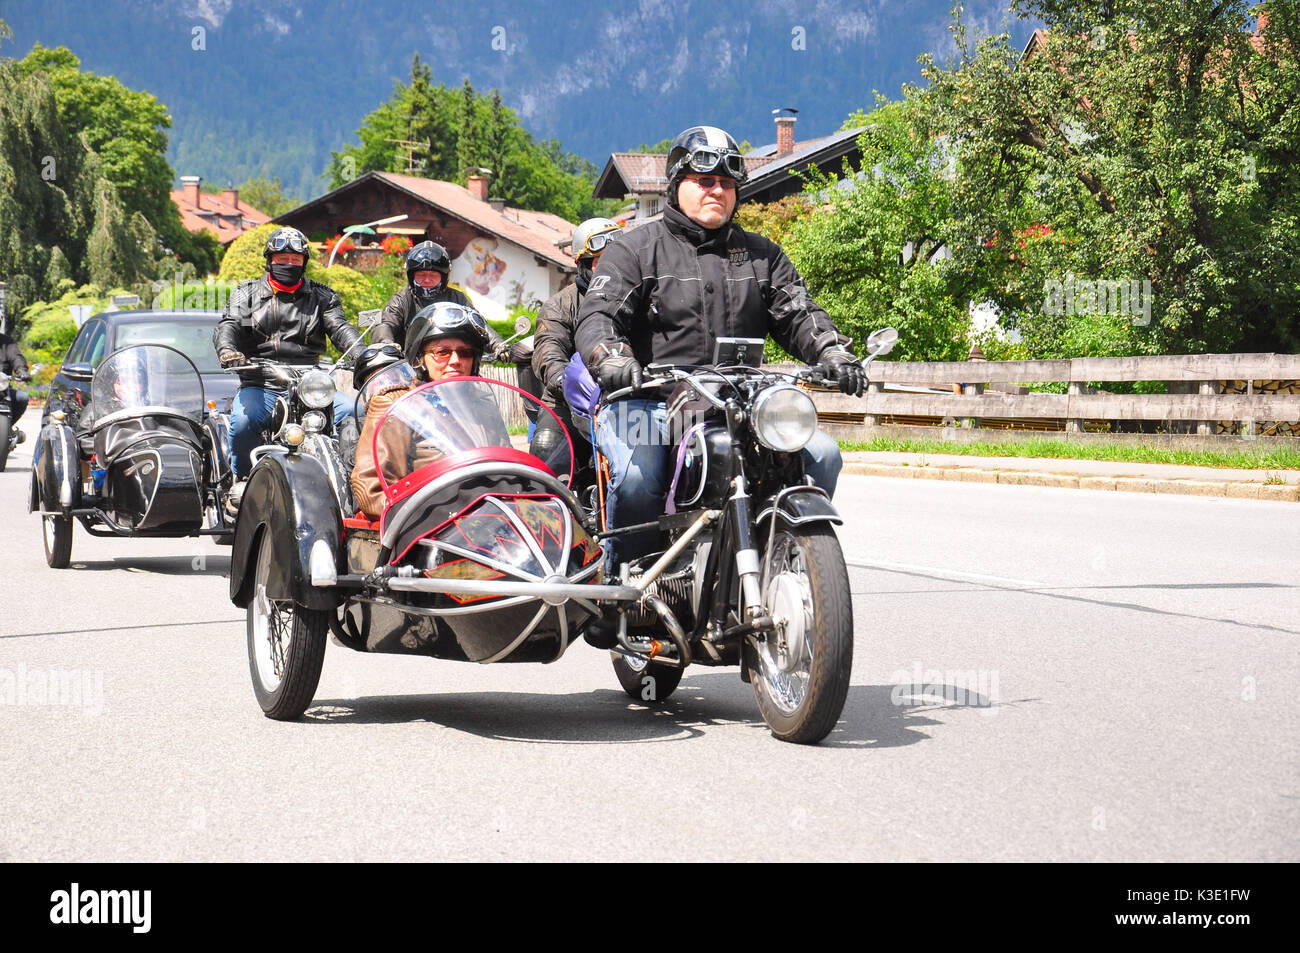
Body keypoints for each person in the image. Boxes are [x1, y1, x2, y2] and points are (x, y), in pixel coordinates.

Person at [574, 125, 866, 568]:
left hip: (740, 402)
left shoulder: (763, 255)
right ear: (676, 185)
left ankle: (784, 560)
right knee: (637, 477)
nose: (717, 191)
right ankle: (628, 588)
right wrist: (611, 356)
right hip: (651, 401)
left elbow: (800, 313)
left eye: (727, 183)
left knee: (822, 453)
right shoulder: (634, 250)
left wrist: (831, 351)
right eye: (704, 181)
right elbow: (598, 317)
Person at [213, 226, 361, 479]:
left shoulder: (322, 297)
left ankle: (352, 479)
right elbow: (231, 324)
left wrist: (363, 355)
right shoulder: (247, 294)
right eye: (282, 259)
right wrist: (228, 349)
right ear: (270, 261)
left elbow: (340, 328)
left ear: (304, 263)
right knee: (243, 423)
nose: (289, 264)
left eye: (295, 260)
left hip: (310, 385)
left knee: (351, 411)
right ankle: (244, 481)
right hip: (262, 382)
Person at [351, 301, 507, 519]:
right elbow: (373, 488)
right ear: (419, 358)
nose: (455, 360)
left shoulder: (482, 403)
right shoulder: (397, 404)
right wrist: (424, 516)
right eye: (442, 352)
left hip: (489, 517)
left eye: (465, 353)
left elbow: (508, 467)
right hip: (431, 527)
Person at [530, 217, 623, 475]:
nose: (608, 269)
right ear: (581, 265)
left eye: (614, 261)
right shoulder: (559, 305)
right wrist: (569, 383)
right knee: (546, 459)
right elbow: (548, 352)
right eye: (598, 262)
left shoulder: (637, 301)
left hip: (624, 401)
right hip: (566, 404)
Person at [371, 240, 508, 358]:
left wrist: (498, 345)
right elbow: (386, 323)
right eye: (421, 274)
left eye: (433, 275)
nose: (427, 279)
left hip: (449, 365)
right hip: (409, 370)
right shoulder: (401, 299)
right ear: (411, 276)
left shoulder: (457, 298)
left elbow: (479, 325)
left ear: (443, 277)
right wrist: (387, 343)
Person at [1, 329, 31, 433]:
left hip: (3, 391)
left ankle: (6, 430)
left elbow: (16, 358)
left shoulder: (6, 342)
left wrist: (22, 371)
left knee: (22, 398)